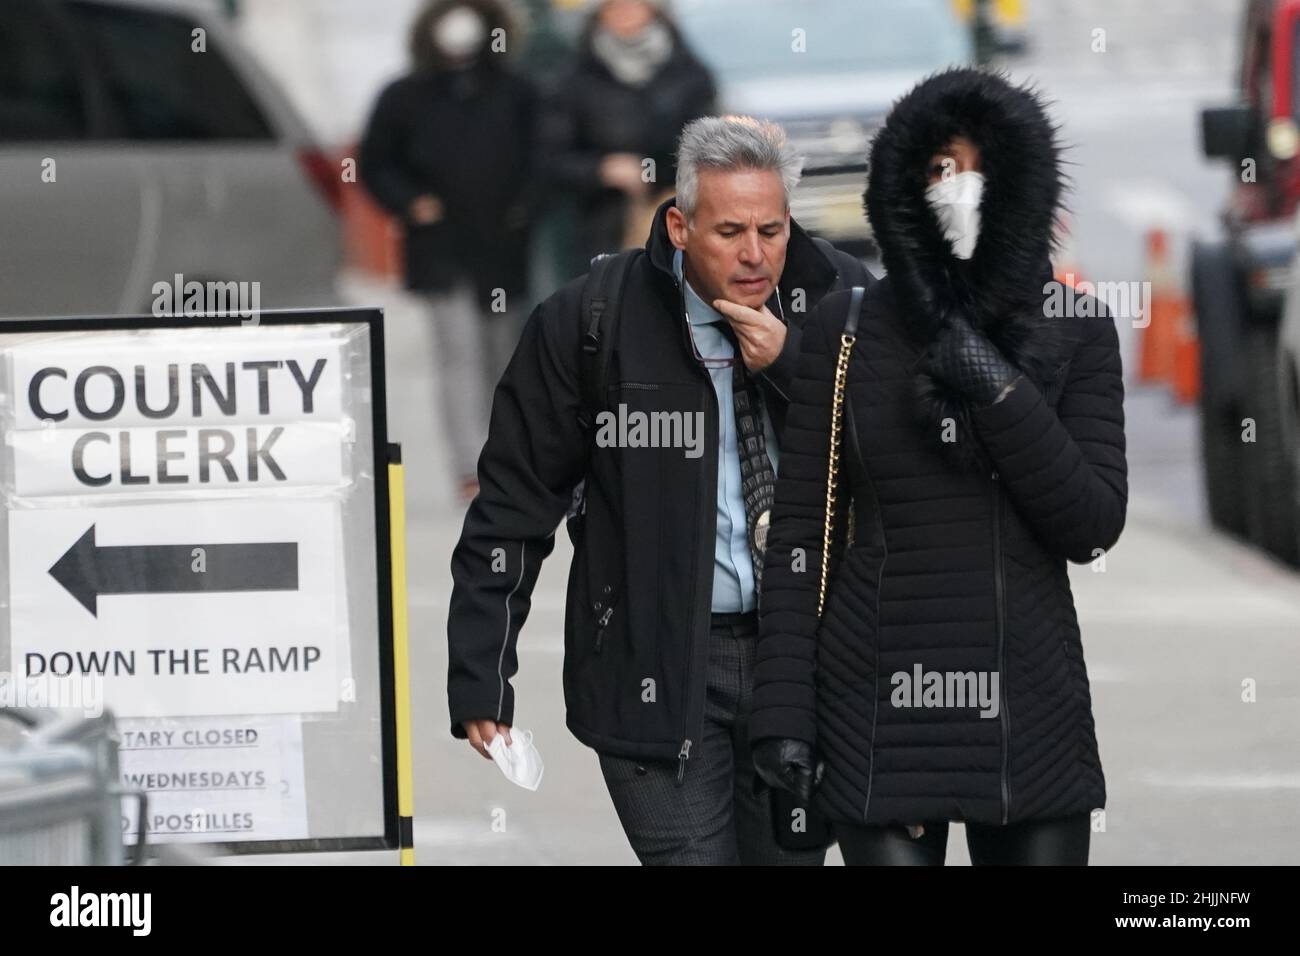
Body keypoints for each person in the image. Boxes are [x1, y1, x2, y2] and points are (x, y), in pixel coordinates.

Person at [446, 116, 876, 865]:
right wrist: (481, 673)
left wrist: (794, 365)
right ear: (679, 225)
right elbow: (513, 507)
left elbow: (905, 455)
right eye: (729, 231)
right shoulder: (591, 320)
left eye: (771, 231)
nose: (754, 255)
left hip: (801, 664)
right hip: (654, 662)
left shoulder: (840, 300)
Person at [750, 68, 1128, 865]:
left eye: (980, 169)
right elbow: (800, 537)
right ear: (904, 187)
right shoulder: (844, 330)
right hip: (876, 710)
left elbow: (1090, 523)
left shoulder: (1077, 329)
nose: (959, 189)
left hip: (1031, 713)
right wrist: (783, 713)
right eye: (939, 171)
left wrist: (989, 378)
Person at [360, 0, 537, 502]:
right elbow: (377, 163)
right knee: (458, 354)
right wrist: (410, 203)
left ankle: (507, 457)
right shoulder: (403, 96)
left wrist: (521, 208)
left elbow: (541, 158)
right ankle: (471, 466)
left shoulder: (517, 92)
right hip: (440, 252)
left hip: (501, 249)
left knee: (501, 352)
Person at [542, 0, 716, 276]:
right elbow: (550, 158)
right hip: (599, 230)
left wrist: (653, 175)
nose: (625, 10)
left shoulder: (690, 74)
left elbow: (706, 148)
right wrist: (601, 169)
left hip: (675, 225)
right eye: (614, 5)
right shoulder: (574, 79)